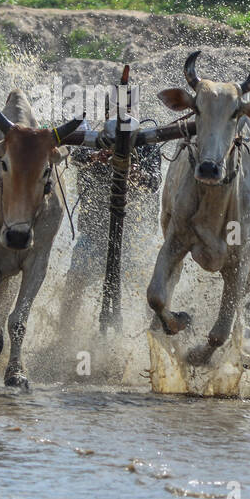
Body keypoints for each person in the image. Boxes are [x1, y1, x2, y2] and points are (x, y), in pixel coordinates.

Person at [58, 94, 163, 329]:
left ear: (136, 114)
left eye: (128, 111)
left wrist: (137, 174)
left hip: (134, 240)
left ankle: (156, 337)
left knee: (154, 294)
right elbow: (76, 156)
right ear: (106, 115)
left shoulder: (147, 144)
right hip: (95, 235)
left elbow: (155, 182)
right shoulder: (96, 138)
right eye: (116, 111)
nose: (123, 116)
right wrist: (96, 157)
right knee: (74, 283)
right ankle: (61, 337)